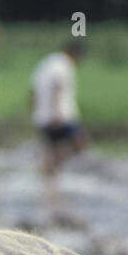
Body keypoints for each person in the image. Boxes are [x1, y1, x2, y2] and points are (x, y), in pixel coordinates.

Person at [30, 40, 88, 178]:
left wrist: (35, 111)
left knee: (53, 150)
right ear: (75, 54)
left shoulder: (48, 63)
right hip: (59, 116)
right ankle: (51, 170)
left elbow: (33, 90)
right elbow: (57, 88)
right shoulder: (63, 65)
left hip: (43, 116)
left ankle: (50, 179)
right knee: (80, 141)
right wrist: (56, 113)